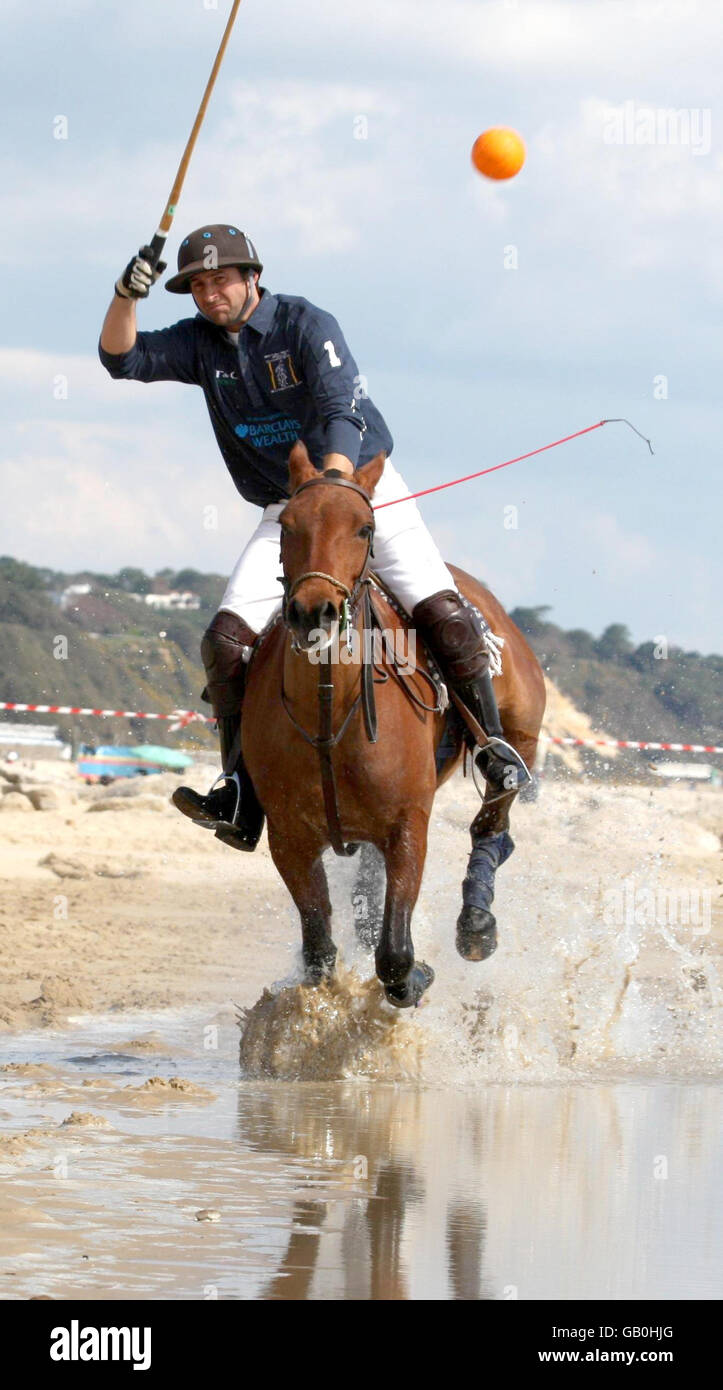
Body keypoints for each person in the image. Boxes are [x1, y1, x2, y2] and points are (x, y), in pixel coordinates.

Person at [99, 224, 528, 849]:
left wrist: (330, 490)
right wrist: (124, 295)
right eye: (197, 286)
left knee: (445, 615)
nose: (210, 295)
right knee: (224, 643)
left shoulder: (304, 323)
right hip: (287, 511)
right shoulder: (199, 343)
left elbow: (339, 410)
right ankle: (241, 790)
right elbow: (122, 359)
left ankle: (491, 751)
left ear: (252, 277)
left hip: (358, 493)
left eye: (220, 280)